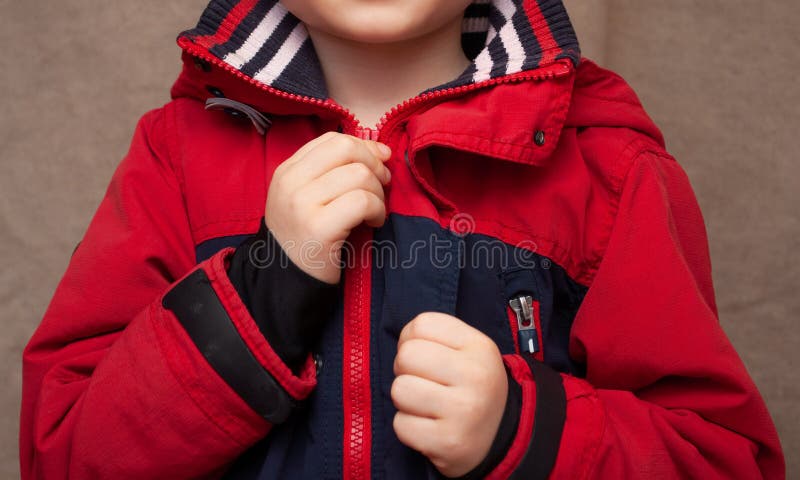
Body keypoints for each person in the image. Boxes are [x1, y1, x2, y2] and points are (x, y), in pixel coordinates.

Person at [20, 0, 785, 478]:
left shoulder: (607, 166)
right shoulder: (175, 155)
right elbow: (64, 454)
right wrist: (259, 293)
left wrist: (526, 429)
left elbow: (721, 458)